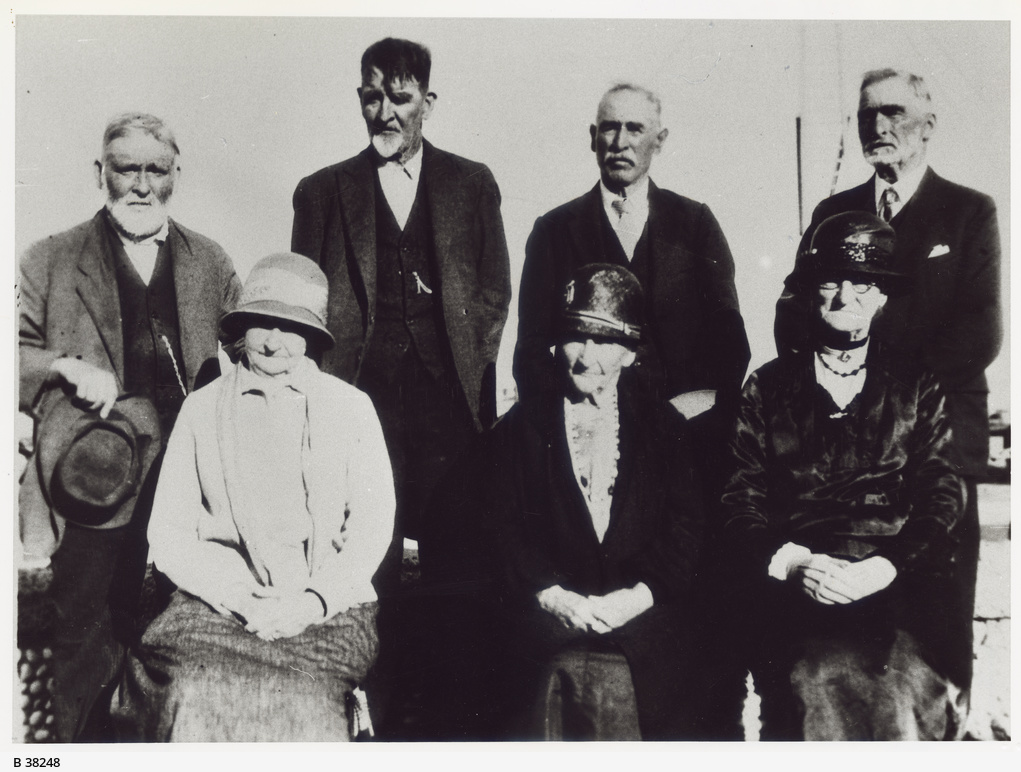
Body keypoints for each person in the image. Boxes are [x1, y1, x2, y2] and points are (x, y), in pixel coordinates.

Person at [775, 69, 1001, 698]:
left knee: (935, 626)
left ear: (928, 126)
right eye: (867, 113)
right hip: (842, 451)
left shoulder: (968, 212)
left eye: (895, 112)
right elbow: (794, 315)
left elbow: (978, 334)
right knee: (835, 635)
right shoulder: (832, 214)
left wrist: (883, 393)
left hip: (938, 444)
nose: (878, 125)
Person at [17, 112, 241, 742]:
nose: (141, 185)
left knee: (176, 632)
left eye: (156, 170)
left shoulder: (211, 260)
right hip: (92, 484)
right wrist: (60, 365)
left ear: (176, 176)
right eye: (126, 169)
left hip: (189, 484)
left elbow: (252, 340)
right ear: (101, 173)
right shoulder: (49, 258)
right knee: (80, 632)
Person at [113, 254, 395, 742]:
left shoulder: (351, 408)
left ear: (314, 337)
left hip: (324, 609)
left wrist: (312, 600)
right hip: (216, 608)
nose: (273, 341)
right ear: (241, 328)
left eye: (291, 327)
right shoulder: (202, 409)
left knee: (305, 703)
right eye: (262, 323)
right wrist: (236, 598)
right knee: (197, 692)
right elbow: (170, 531)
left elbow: (372, 527)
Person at [725, 212, 966, 740]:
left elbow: (943, 496)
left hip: (895, 587)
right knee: (812, 679)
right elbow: (738, 500)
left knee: (905, 686)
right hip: (801, 593)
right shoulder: (766, 390)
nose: (844, 298)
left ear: (881, 296)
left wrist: (885, 567)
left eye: (862, 285)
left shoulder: (916, 386)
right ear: (811, 292)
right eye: (831, 283)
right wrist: (796, 565)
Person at [290, 37, 511, 549]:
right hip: (361, 391)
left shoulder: (472, 183)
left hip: (450, 393)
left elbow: (494, 290)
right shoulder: (321, 192)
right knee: (367, 536)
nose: (384, 113)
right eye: (372, 97)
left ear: (427, 105)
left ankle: (442, 633)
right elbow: (305, 301)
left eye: (401, 99)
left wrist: (471, 361)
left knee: (455, 535)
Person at [473, 264, 706, 740]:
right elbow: (502, 527)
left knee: (632, 685)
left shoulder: (664, 428)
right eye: (575, 338)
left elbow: (686, 528)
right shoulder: (523, 427)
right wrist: (553, 596)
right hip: (550, 613)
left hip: (643, 612)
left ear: (630, 352)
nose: (585, 357)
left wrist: (637, 597)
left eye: (604, 342)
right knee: (545, 678)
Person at [514, 83, 749, 420]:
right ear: (593, 137)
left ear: (660, 140)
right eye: (609, 127)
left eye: (635, 128)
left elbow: (729, 339)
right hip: (591, 432)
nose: (620, 142)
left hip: (687, 434)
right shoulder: (554, 230)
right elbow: (531, 351)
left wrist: (690, 412)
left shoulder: (695, 224)